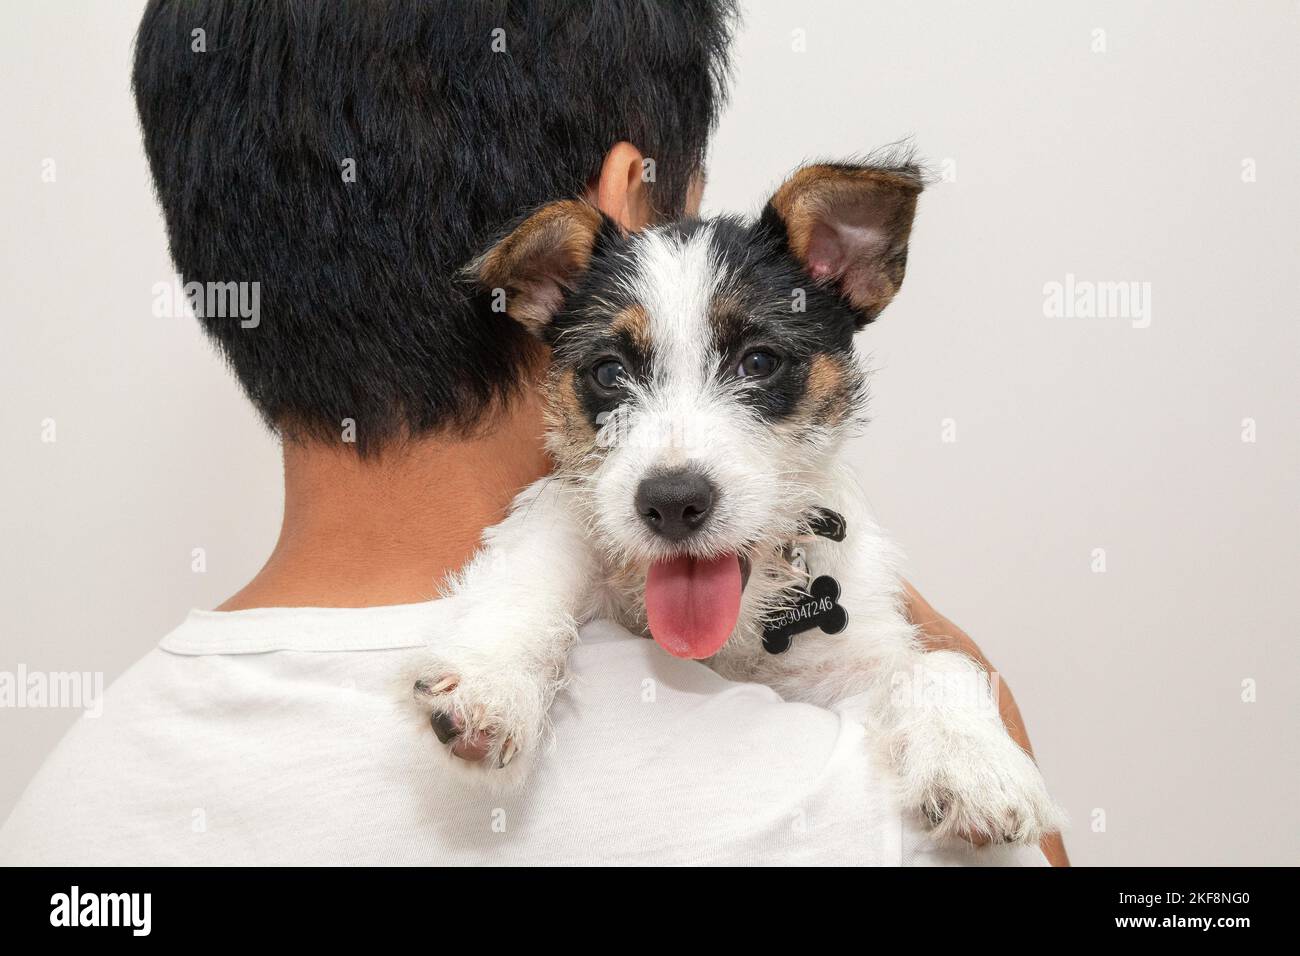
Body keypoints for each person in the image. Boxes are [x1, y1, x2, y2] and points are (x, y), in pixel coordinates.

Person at [0, 0, 1064, 866]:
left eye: (753, 366)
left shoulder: (61, 814)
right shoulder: (865, 822)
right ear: (622, 209)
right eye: (614, 370)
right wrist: (976, 685)